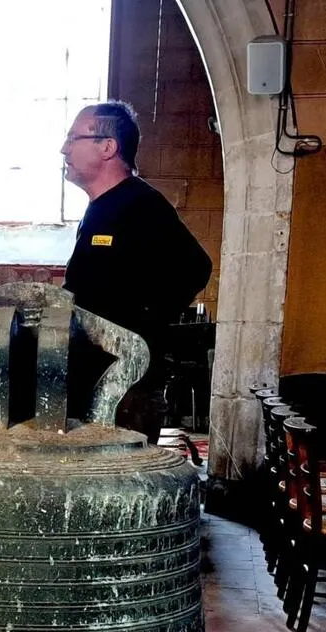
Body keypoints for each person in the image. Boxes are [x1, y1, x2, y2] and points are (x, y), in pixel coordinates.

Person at [61, 100, 212, 443]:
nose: (64, 148)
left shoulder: (141, 204)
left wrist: (143, 320)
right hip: (94, 373)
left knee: (121, 485)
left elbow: (196, 267)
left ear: (108, 147)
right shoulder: (100, 208)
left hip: (127, 382)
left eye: (74, 138)